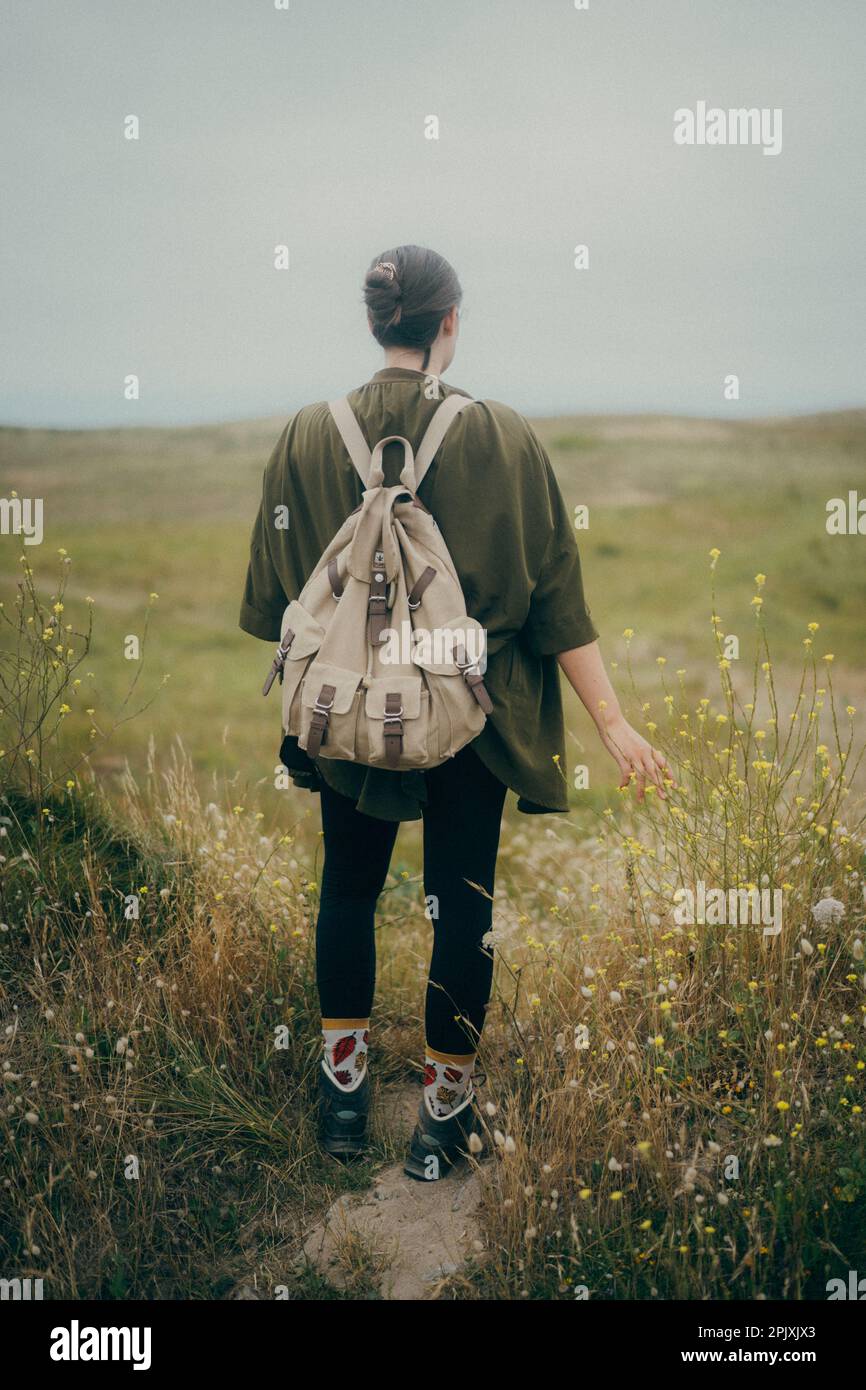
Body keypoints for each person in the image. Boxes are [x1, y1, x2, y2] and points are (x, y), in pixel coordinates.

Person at [240, 244, 669, 1178]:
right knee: (462, 907)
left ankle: (344, 1107)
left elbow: (276, 600)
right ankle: (441, 1123)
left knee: (346, 891)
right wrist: (614, 724)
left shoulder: (306, 435)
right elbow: (556, 598)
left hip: (351, 715)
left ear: (371, 323)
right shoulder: (504, 436)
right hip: (474, 716)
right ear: (448, 323)